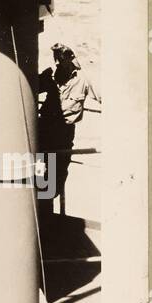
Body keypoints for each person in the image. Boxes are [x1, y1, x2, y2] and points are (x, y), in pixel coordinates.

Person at [38, 43, 100, 208]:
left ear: (71, 59)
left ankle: (47, 209)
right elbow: (31, 87)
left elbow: (105, 98)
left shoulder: (83, 80)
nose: (57, 63)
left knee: (56, 179)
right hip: (44, 130)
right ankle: (42, 210)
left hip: (63, 135)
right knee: (39, 176)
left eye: (60, 59)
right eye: (55, 59)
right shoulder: (51, 75)